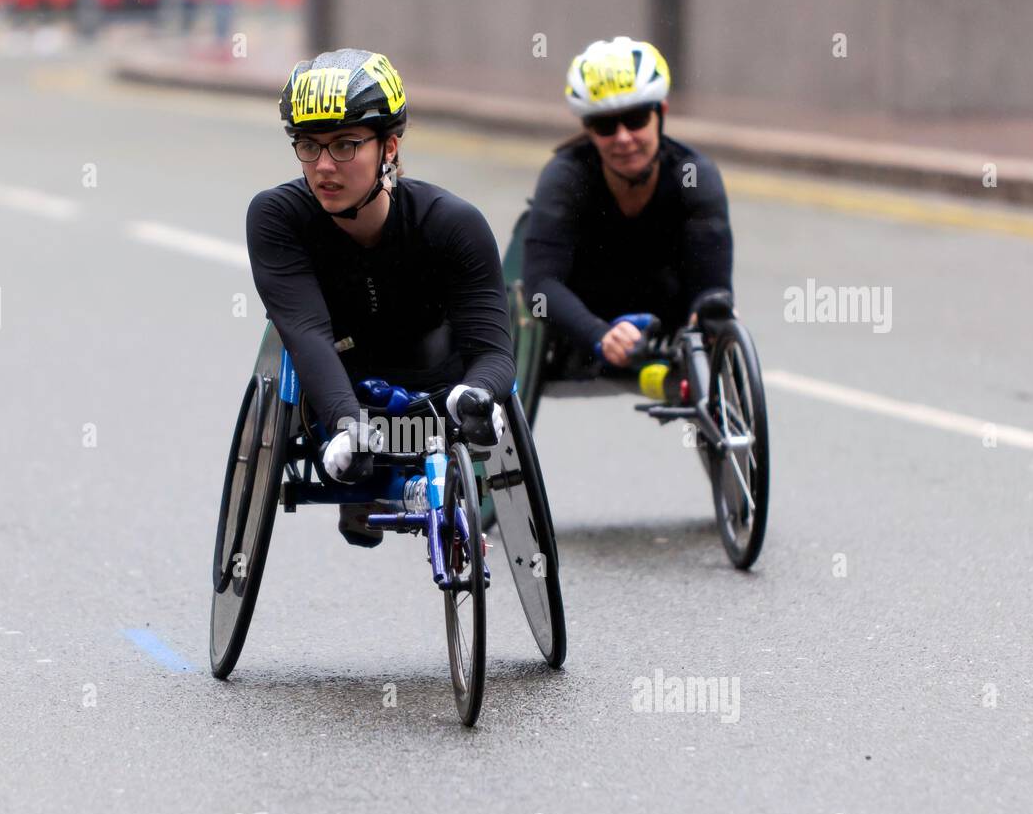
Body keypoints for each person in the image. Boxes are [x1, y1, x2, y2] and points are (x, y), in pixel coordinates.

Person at [245, 48, 513, 546]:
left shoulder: (453, 223)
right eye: (309, 145)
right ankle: (361, 483)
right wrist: (346, 425)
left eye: (346, 145)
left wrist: (479, 395)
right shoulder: (277, 217)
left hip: (435, 391)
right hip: (337, 389)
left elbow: (493, 350)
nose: (324, 166)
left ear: (389, 146)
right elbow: (304, 333)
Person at [522, 36, 735, 388]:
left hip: (667, 313)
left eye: (636, 119)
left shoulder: (695, 175)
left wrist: (708, 316)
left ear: (660, 114)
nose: (623, 137)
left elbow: (712, 285)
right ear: (588, 129)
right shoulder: (564, 177)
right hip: (587, 318)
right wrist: (598, 334)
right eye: (605, 126)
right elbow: (541, 287)